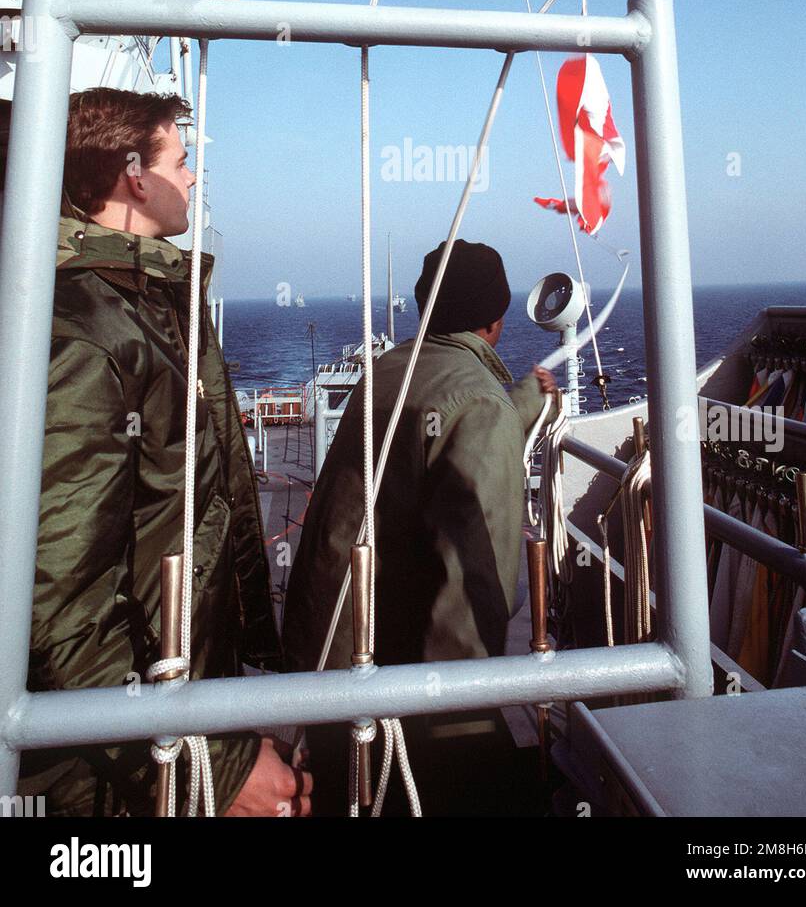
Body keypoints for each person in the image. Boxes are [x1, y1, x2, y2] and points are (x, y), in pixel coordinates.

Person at [19, 88, 312, 818]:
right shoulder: (82, 331)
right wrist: (212, 761)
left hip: (168, 709)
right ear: (133, 175)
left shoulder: (134, 306)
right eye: (180, 161)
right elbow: (59, 605)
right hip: (108, 779)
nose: (191, 179)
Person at [282, 239, 557, 814]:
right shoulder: (481, 407)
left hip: (330, 671)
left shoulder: (388, 369)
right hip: (404, 712)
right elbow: (471, 594)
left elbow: (424, 441)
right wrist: (465, 740)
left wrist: (516, 408)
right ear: (497, 319)